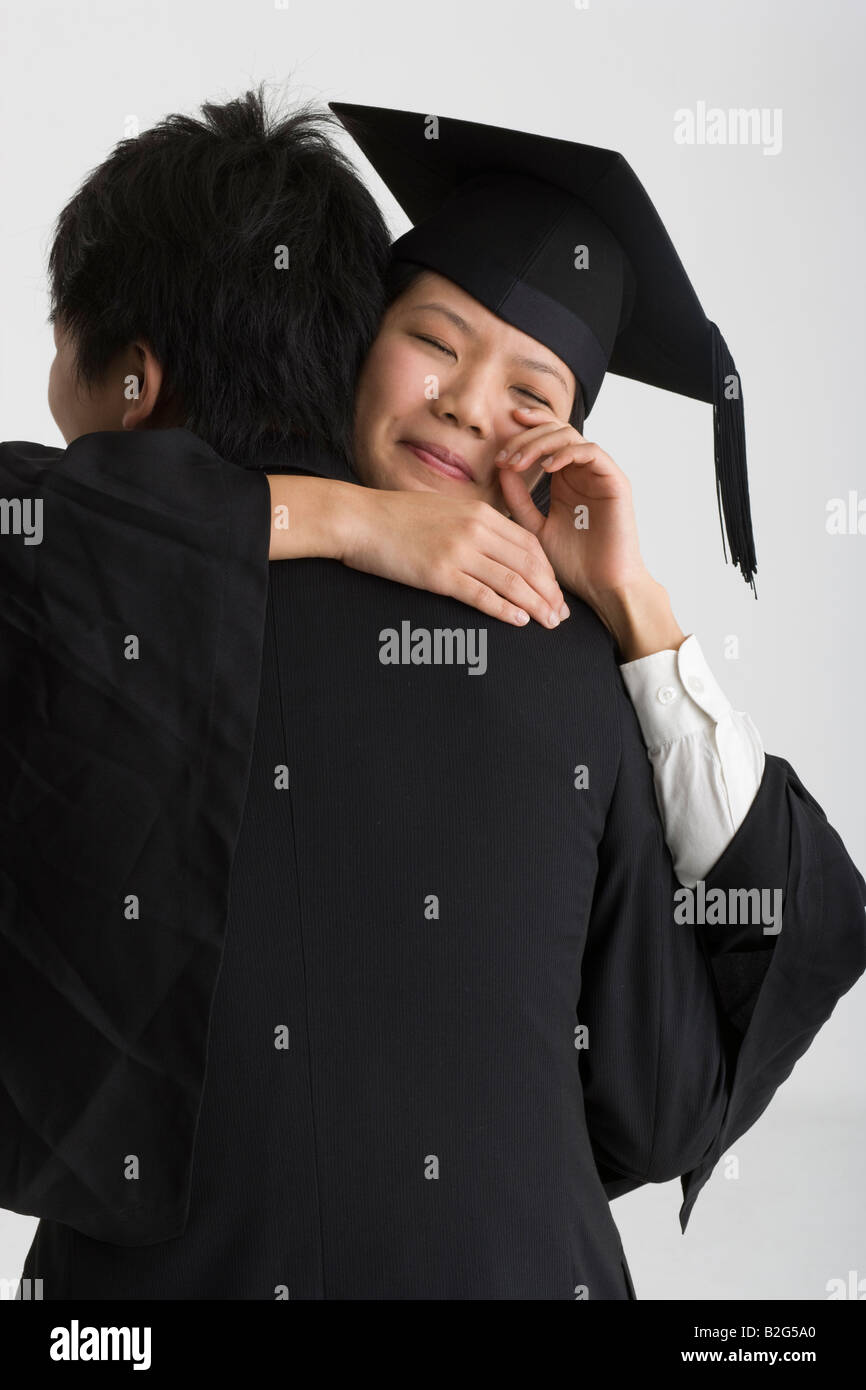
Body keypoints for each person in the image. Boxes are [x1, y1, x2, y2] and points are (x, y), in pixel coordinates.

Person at [4, 98, 864, 1300]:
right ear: (353, 332)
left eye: (532, 396)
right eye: (436, 341)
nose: (464, 406)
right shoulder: (562, 671)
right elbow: (665, 1108)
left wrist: (635, 602)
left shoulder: (84, 602)